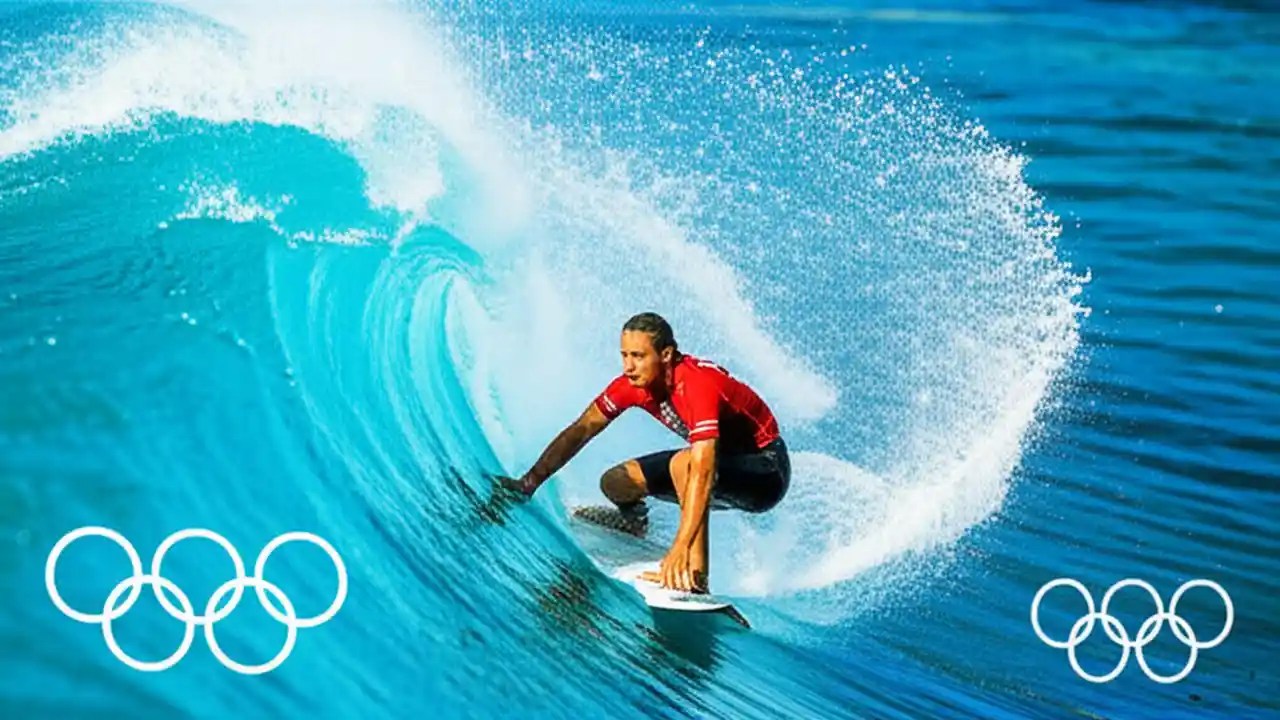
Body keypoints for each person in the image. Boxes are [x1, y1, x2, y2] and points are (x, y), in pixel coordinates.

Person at [499, 312, 790, 593]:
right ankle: (633, 523)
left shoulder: (697, 384)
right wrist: (529, 482)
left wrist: (680, 546)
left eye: (638, 356)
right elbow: (582, 430)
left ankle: (695, 578)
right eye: (624, 355)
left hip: (766, 472)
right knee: (615, 483)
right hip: (712, 464)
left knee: (686, 463)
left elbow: (702, 470)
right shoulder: (631, 386)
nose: (628, 366)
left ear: (665, 355)